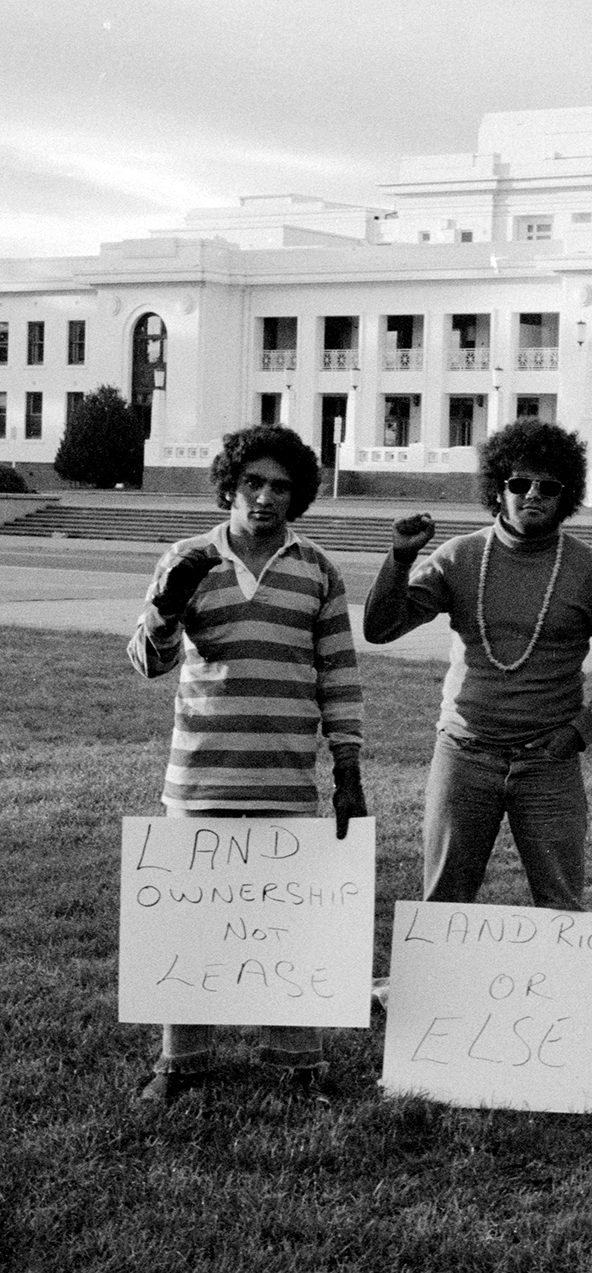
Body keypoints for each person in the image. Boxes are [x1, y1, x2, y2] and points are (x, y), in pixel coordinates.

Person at [128, 424, 366, 1104]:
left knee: (289, 925)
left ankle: (297, 1062)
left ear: (299, 496)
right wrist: (166, 606)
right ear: (229, 486)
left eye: (281, 486)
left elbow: (338, 674)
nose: (265, 498)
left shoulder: (317, 568)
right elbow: (150, 664)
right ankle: (181, 1063)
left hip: (287, 780)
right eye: (253, 483)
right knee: (189, 922)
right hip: (199, 776)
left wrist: (347, 767)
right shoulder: (186, 556)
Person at [363, 419, 592, 912]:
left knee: (560, 906)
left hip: (549, 763)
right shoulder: (459, 557)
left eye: (548, 486)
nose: (532, 494)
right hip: (464, 754)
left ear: (566, 495)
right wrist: (400, 560)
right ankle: (437, 992)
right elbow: (380, 629)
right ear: (498, 489)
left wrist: (579, 733)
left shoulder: (591, 571)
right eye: (519, 483)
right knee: (444, 903)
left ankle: (561, 991)